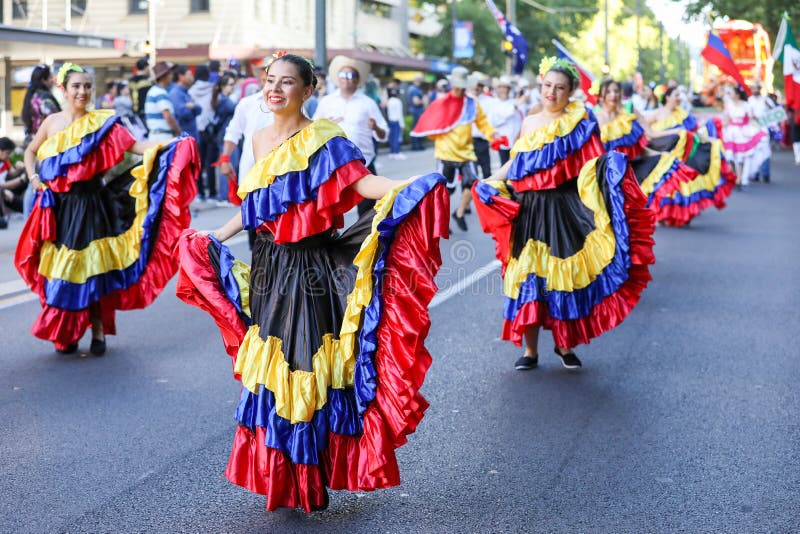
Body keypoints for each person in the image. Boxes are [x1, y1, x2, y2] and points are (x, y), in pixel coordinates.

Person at [174, 52, 448, 513]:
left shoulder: (327, 139)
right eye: (269, 81)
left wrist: (412, 183)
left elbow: (363, 186)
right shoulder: (259, 139)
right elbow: (258, 202)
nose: (275, 89)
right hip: (269, 268)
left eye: (286, 82)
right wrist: (217, 235)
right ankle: (285, 478)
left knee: (306, 367)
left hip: (312, 269)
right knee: (274, 372)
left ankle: (311, 477)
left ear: (308, 89)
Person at [471, 57, 656, 371]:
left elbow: (592, 163)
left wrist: (611, 175)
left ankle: (564, 345)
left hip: (564, 208)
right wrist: (488, 181)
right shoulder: (529, 121)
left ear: (571, 92)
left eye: (559, 88)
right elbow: (516, 163)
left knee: (562, 278)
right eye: (547, 86)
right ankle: (530, 352)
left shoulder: (581, 120)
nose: (551, 93)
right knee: (529, 278)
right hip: (529, 210)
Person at [14, 62, 199, 355]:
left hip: (92, 204)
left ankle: (97, 329)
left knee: (93, 268)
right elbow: (30, 150)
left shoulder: (102, 122)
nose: (83, 91)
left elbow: (136, 147)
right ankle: (68, 332)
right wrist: (33, 176)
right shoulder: (51, 122)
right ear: (63, 89)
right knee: (62, 270)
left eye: (87, 86)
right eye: (76, 86)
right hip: (58, 207)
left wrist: (171, 145)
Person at [595, 79, 703, 227]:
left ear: (621, 93)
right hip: (608, 176)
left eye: (616, 91)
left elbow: (650, 135)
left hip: (634, 170)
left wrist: (676, 133)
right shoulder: (593, 116)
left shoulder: (629, 109)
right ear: (601, 95)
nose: (613, 95)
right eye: (608, 92)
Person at [411, 66, 504, 232]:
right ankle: (441, 221)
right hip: (446, 153)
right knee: (445, 191)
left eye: (462, 86)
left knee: (473, 184)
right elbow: (432, 127)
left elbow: (482, 123)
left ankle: (459, 213)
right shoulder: (441, 103)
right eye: (457, 86)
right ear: (452, 84)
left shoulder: (472, 104)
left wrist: (493, 135)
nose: (460, 89)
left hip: (467, 152)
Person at [644, 86, 737, 223]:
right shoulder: (656, 114)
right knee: (663, 186)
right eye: (676, 95)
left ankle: (679, 215)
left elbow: (695, 134)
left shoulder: (684, 115)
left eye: (679, 95)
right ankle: (661, 215)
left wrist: (712, 141)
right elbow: (646, 134)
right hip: (663, 157)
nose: (678, 98)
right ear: (668, 97)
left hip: (682, 157)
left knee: (682, 186)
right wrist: (673, 133)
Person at [313, 55, 388, 215]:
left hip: (364, 163)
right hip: (333, 166)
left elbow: (384, 134)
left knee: (367, 212)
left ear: (357, 79)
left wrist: (376, 128)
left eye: (350, 75)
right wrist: (325, 125)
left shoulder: (368, 103)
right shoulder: (326, 102)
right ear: (337, 79)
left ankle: (364, 240)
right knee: (331, 211)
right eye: (342, 75)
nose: (346, 79)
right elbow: (311, 131)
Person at [217, 62, 273, 249]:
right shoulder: (247, 104)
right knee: (253, 226)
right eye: (268, 79)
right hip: (251, 173)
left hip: (281, 175)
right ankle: (259, 272)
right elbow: (232, 132)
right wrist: (225, 159)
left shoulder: (292, 105)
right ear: (260, 79)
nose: (271, 85)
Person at [722, 85, 768, 188]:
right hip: (731, 132)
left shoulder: (746, 105)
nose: (730, 95)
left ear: (737, 95)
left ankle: (739, 177)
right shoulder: (729, 105)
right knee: (730, 157)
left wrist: (758, 129)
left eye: (732, 93)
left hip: (742, 133)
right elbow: (727, 120)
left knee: (740, 157)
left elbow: (751, 119)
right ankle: (734, 174)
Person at [190, 65, 218, 200]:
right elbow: (215, 106)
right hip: (210, 129)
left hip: (197, 129)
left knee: (199, 162)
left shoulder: (190, 91)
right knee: (211, 162)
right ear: (207, 74)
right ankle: (212, 193)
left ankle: (200, 192)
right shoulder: (213, 88)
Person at [208, 73, 237, 202]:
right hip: (225, 136)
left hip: (223, 135)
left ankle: (225, 195)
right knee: (228, 164)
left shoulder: (220, 98)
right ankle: (225, 196)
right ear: (223, 87)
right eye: (230, 85)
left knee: (227, 164)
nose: (232, 87)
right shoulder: (225, 100)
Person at [21, 65, 61, 148]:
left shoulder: (30, 97)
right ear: (43, 80)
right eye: (50, 77)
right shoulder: (45, 98)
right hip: (46, 145)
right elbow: (56, 120)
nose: (52, 80)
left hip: (32, 145)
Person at [490, 76, 523, 165]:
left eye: (506, 87)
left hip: (516, 142)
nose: (504, 90)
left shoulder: (514, 102)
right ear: (498, 89)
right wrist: (513, 108)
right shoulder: (494, 103)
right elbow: (494, 122)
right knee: (504, 167)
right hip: (504, 142)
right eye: (502, 87)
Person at [144, 61, 180, 142]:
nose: (172, 76)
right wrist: (179, 132)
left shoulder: (155, 91)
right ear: (165, 76)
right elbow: (167, 116)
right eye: (170, 74)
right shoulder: (160, 92)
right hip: (163, 137)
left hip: (157, 136)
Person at [0, 137, 28, 228]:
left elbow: (12, 173)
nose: (9, 156)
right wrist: (20, 180)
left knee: (26, 176)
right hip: (3, 191)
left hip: (5, 190)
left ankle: (30, 211)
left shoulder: (5, 162)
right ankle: (3, 217)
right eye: (7, 153)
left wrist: (20, 168)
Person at [128, 57, 152, 123]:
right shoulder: (148, 81)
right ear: (145, 67)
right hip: (145, 113)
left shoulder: (131, 80)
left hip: (134, 112)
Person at [386, 86, 406, 160]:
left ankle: (392, 153)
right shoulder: (398, 101)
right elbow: (399, 113)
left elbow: (388, 113)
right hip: (397, 121)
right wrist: (402, 124)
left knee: (392, 137)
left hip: (391, 121)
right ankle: (397, 152)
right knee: (396, 137)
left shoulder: (389, 101)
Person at [407, 74, 426, 150]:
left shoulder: (412, 88)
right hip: (417, 112)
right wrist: (424, 101)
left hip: (415, 111)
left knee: (415, 129)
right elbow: (416, 102)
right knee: (416, 129)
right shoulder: (415, 89)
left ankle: (416, 145)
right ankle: (416, 146)